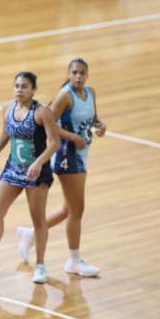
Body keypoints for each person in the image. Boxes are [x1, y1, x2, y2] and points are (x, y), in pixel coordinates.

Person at [17, 59, 106, 277]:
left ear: (87, 75)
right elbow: (51, 124)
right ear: (69, 73)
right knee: (78, 210)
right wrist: (73, 137)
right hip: (68, 156)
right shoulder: (65, 96)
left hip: (82, 153)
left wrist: (100, 125)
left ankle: (30, 233)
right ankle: (73, 261)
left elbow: (92, 118)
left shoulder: (90, 92)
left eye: (82, 73)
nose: (78, 76)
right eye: (74, 72)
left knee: (69, 209)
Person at [0, 72, 60, 284]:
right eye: (17, 85)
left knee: (38, 221)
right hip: (13, 169)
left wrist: (39, 163)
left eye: (25, 86)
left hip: (36, 173)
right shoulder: (7, 107)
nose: (20, 89)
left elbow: (54, 142)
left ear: (33, 90)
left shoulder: (42, 112)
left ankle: (40, 265)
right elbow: (5, 134)